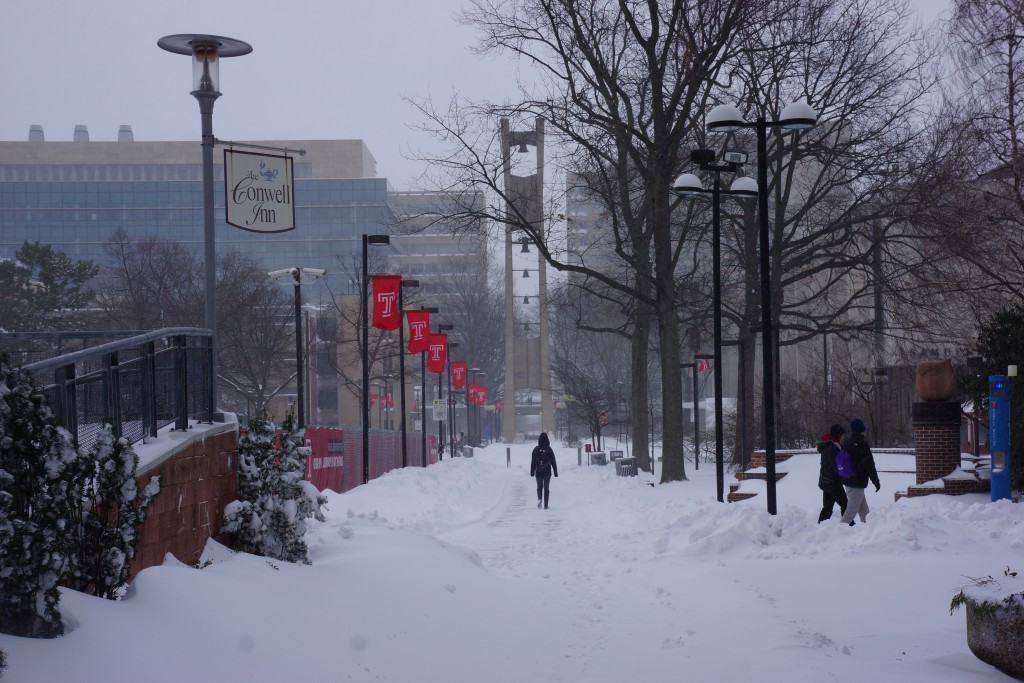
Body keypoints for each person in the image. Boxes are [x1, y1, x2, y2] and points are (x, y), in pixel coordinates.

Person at [839, 418, 881, 526]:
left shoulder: (846, 443)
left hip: (848, 482)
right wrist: (876, 482)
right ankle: (837, 532)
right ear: (861, 430)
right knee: (850, 513)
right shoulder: (862, 444)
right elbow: (870, 465)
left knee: (864, 512)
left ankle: (868, 529)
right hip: (857, 484)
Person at [816, 423, 849, 523]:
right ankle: (849, 526)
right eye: (843, 435)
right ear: (839, 436)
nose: (844, 438)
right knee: (845, 505)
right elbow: (837, 468)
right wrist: (847, 479)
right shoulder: (832, 449)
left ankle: (820, 527)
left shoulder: (830, 447)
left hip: (827, 482)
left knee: (827, 508)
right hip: (832, 483)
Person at [530, 432, 558, 509]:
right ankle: (546, 504)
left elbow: (533, 462)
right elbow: (553, 461)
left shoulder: (536, 449)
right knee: (546, 488)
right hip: (547, 472)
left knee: (539, 487)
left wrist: (532, 472)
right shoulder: (549, 449)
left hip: (538, 471)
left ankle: (539, 500)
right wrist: (555, 472)